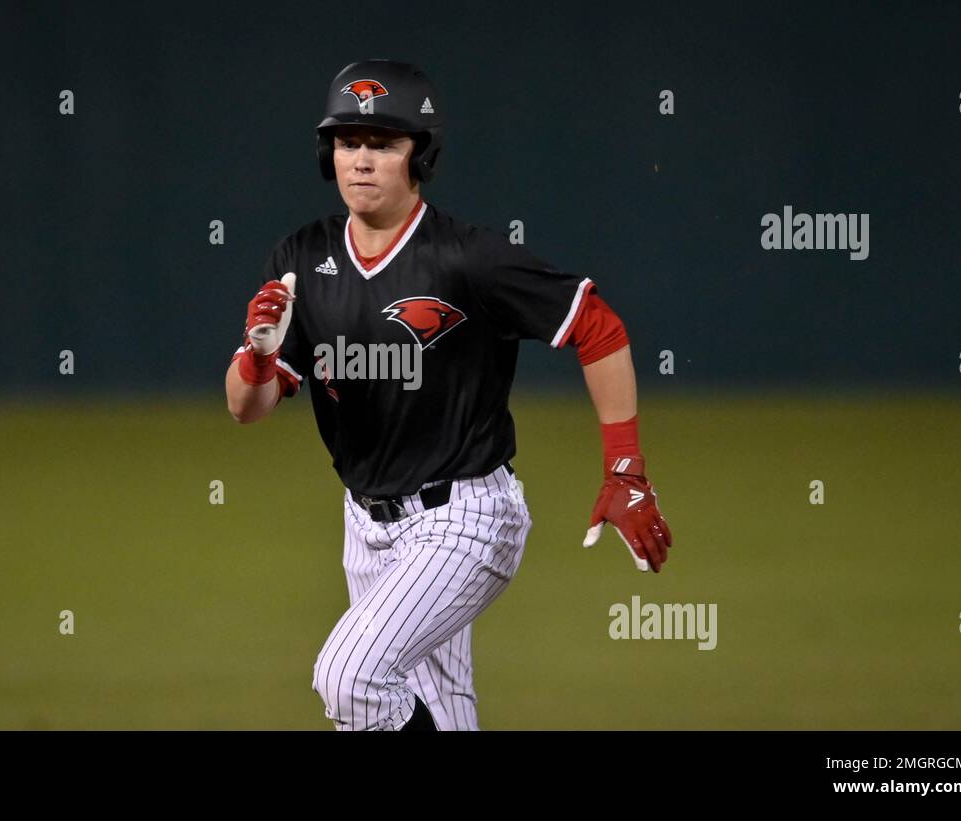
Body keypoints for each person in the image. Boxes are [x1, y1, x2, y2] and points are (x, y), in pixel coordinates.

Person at [224, 59, 673, 730]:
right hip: (366, 526)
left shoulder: (468, 258)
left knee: (349, 676)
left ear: (420, 154)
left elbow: (596, 325)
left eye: (384, 142)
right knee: (422, 712)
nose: (363, 160)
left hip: (464, 517)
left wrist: (625, 466)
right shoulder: (301, 259)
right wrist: (259, 356)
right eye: (349, 142)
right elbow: (245, 406)